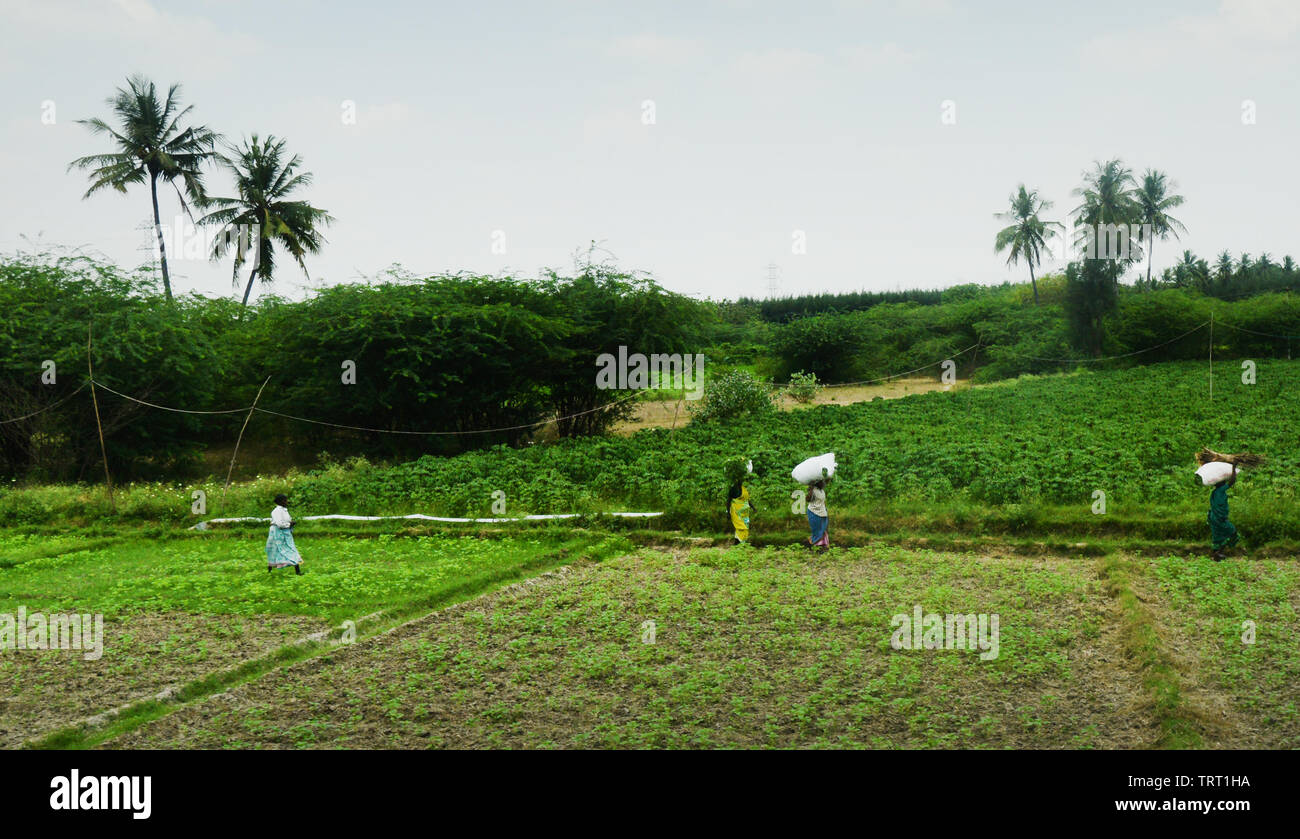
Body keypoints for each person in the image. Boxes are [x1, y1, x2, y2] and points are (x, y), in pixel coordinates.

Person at [1208, 465, 1240, 561]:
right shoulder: (1221, 490)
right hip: (1220, 518)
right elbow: (1232, 481)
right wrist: (1234, 468)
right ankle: (1218, 553)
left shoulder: (1214, 492)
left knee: (1218, 537)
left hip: (1213, 517)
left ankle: (1216, 554)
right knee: (1232, 533)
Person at [266, 493, 304, 574]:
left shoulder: (284, 510)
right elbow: (279, 524)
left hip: (285, 533)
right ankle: (269, 571)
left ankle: (298, 571)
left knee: (291, 549)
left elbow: (286, 520)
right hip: (276, 534)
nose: (287, 502)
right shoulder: (276, 511)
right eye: (285, 500)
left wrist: (290, 523)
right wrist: (289, 524)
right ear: (280, 501)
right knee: (274, 551)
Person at [727, 480, 755, 545]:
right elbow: (728, 501)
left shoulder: (743, 489)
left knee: (745, 528)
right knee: (742, 528)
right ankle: (740, 544)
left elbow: (746, 500)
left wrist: (753, 507)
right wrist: (728, 512)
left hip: (745, 514)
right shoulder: (733, 489)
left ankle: (738, 544)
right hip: (736, 513)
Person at [806, 479, 829, 551]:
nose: (824, 484)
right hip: (814, 512)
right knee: (816, 531)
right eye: (822, 482)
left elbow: (823, 502)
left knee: (822, 530)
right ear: (818, 483)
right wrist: (811, 487)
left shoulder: (821, 490)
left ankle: (821, 547)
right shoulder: (814, 491)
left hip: (822, 513)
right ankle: (813, 545)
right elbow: (808, 499)